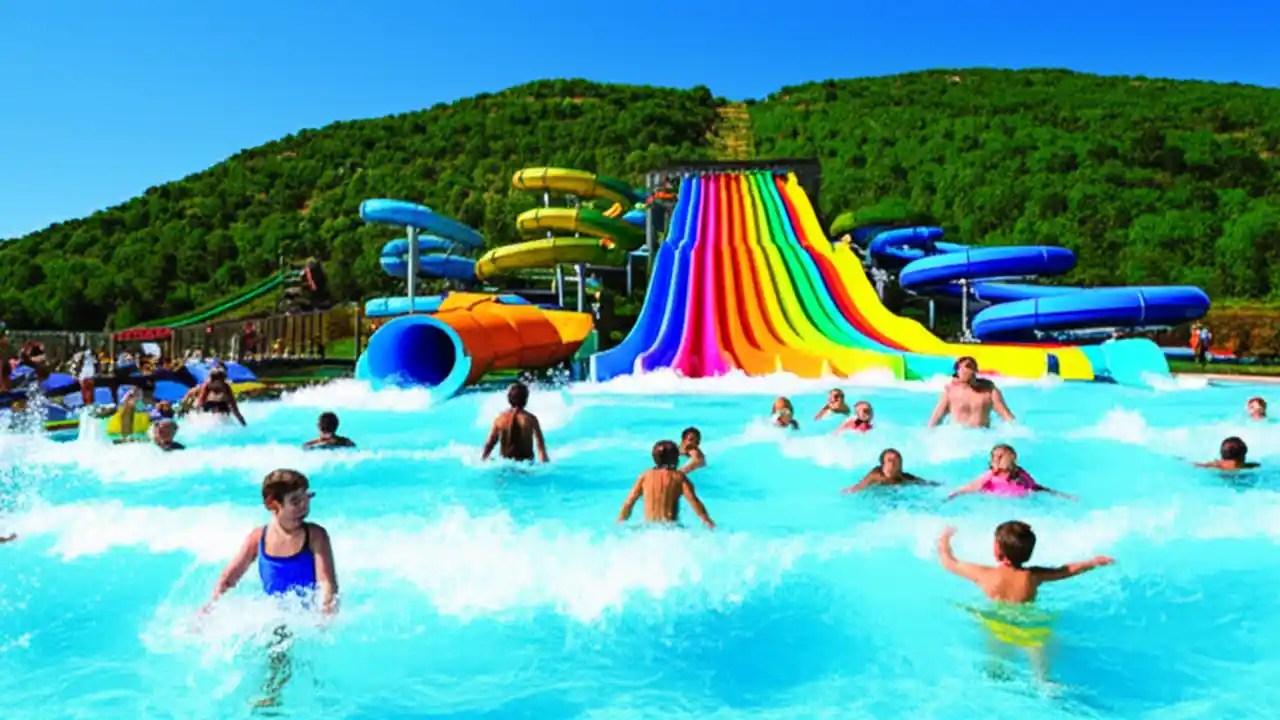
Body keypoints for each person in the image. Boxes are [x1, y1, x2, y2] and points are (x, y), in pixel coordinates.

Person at [207, 469, 338, 613]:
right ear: (273, 505)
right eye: (295, 501)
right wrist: (209, 608)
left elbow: (326, 583)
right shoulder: (258, 538)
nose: (304, 507)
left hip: (307, 616)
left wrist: (326, 615)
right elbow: (227, 580)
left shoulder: (315, 536)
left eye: (306, 499)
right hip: (275, 617)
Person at [938, 523, 1114, 604]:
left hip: (996, 622)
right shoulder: (1034, 575)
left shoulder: (984, 574)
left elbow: (949, 563)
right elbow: (1066, 570)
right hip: (1029, 625)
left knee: (997, 661)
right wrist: (1093, 562)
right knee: (1040, 666)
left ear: (998, 551)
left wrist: (944, 539)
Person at [617, 440, 715, 529]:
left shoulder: (645, 476)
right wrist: (707, 521)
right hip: (670, 529)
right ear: (675, 459)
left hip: (648, 529)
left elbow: (629, 502)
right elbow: (694, 501)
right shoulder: (679, 477)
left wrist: (620, 521)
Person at [946, 444, 1076, 501]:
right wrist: (955, 494)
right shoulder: (991, 475)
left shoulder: (1020, 473)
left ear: (1012, 458)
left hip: (1020, 502)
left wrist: (1060, 494)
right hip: (994, 501)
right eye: (994, 457)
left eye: (1001, 457)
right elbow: (973, 486)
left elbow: (1036, 487)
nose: (996, 459)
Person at [927, 356, 1015, 429]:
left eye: (971, 367)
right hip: (959, 438)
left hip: (983, 436)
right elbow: (934, 421)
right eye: (966, 367)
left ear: (976, 370)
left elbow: (1007, 417)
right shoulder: (950, 392)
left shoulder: (989, 391)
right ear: (957, 371)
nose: (968, 371)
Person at [482, 382, 548, 463]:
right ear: (526, 399)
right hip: (526, 464)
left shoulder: (500, 419)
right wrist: (545, 464)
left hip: (505, 463)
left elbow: (490, 444)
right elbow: (540, 446)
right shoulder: (531, 419)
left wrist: (483, 458)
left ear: (509, 399)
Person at [843, 448, 938, 493]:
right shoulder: (875, 476)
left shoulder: (903, 477)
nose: (894, 462)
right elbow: (859, 486)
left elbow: (923, 482)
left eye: (897, 459)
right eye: (890, 460)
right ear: (883, 464)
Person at [1195, 436, 1259, 470]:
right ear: (1243, 455)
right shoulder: (1247, 466)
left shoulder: (1217, 465)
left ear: (1222, 454)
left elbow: (1198, 465)